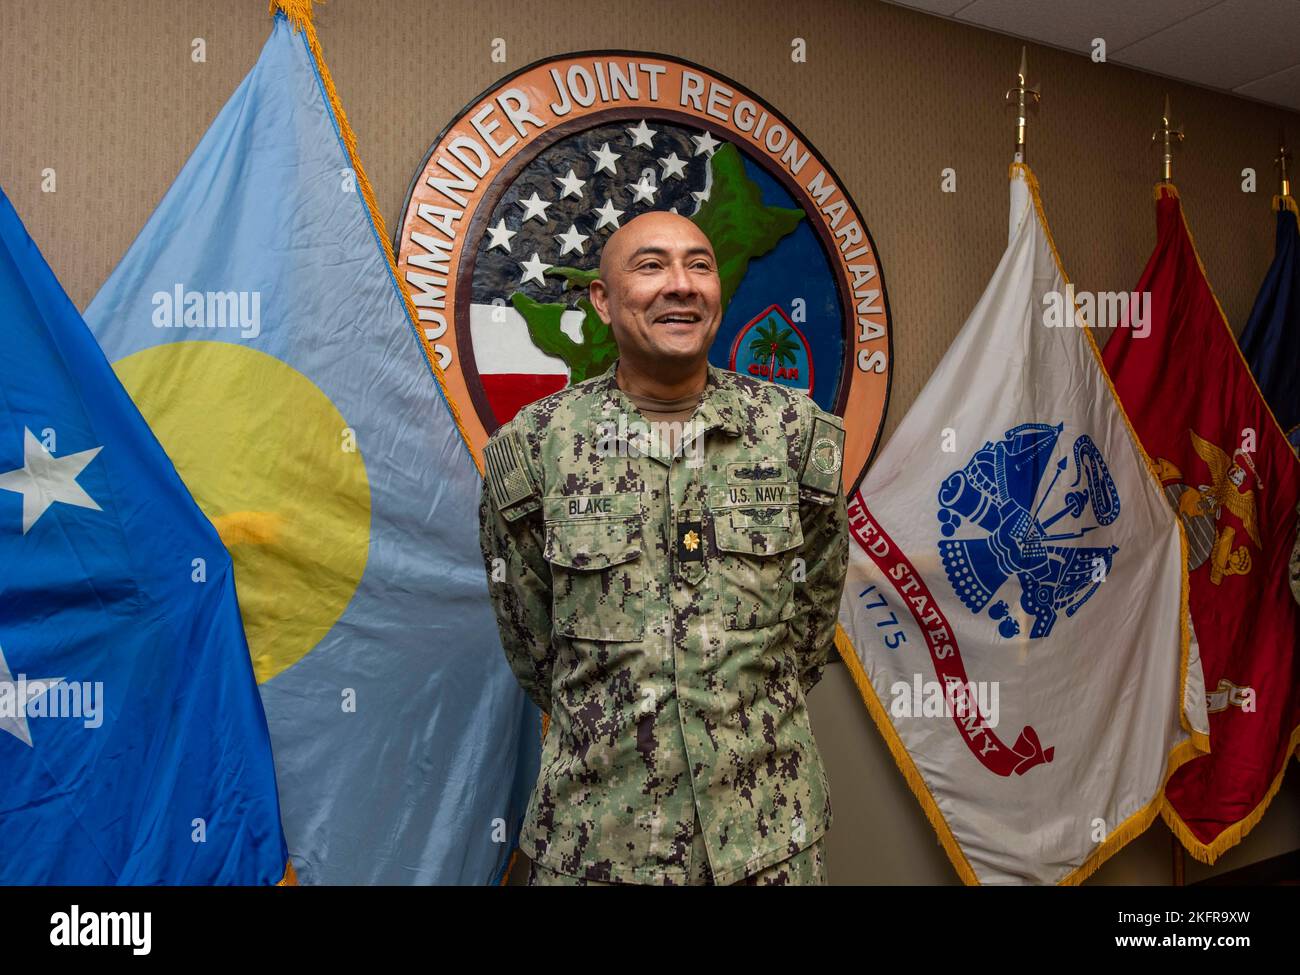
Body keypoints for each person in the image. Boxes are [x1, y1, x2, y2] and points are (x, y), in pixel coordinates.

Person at [478, 210, 849, 885]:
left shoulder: (794, 434)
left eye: (699, 265)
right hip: (601, 845)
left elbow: (810, 621)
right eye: (650, 266)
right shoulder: (536, 447)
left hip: (767, 839)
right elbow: (533, 644)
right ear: (603, 299)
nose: (680, 284)